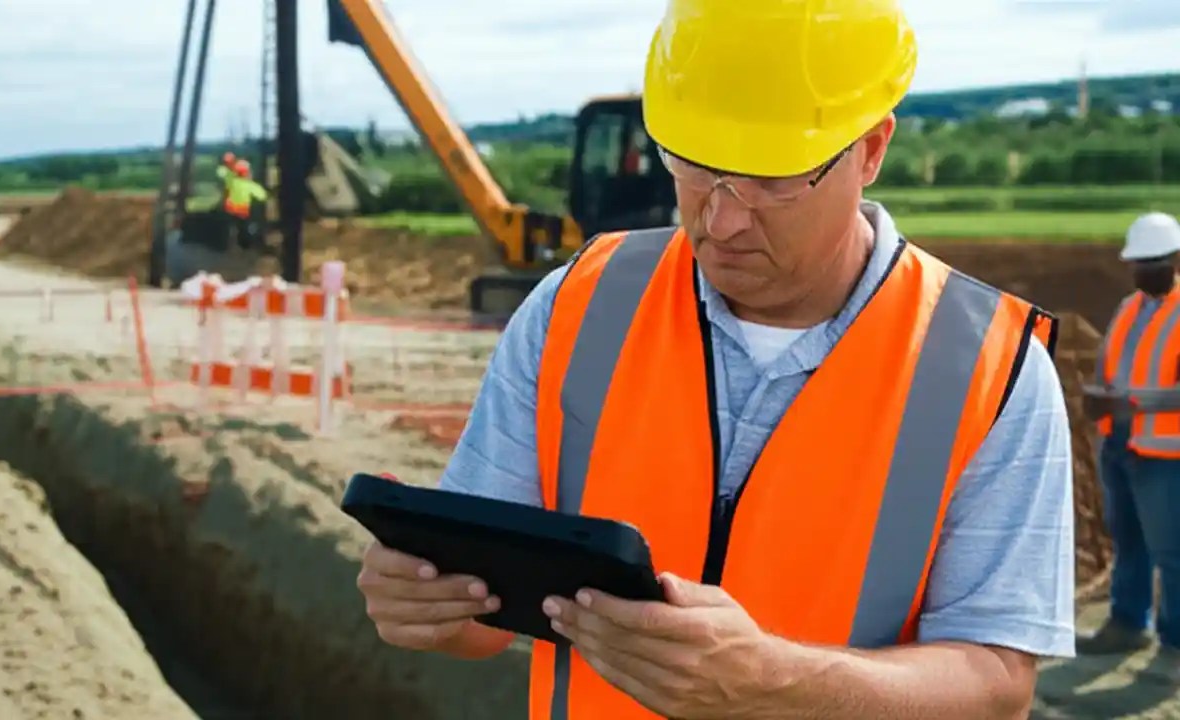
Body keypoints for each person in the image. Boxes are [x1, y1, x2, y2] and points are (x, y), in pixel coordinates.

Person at [355, 0, 1076, 717]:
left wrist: (775, 684)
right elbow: (482, 619)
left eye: (773, 177)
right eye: (693, 166)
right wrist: (429, 603)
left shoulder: (987, 367)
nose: (721, 220)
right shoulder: (575, 306)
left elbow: (995, 688)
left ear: (871, 149)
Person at [1078, 211, 1180, 676]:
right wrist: (1099, 398)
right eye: (1140, 263)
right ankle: (1127, 623)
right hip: (1119, 442)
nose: (1145, 271)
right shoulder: (1129, 308)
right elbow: (1113, 367)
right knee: (1128, 540)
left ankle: (1174, 643)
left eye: (1155, 263)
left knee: (1171, 551)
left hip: (1165, 453)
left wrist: (1132, 402)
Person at [215, 158, 268, 249]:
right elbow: (262, 196)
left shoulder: (231, 181)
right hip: (242, 211)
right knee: (246, 226)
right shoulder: (250, 185)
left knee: (232, 225)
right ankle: (244, 243)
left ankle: (230, 242)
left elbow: (222, 173)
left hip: (229, 210)